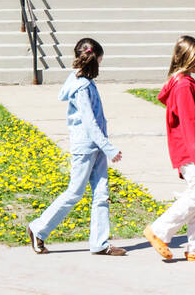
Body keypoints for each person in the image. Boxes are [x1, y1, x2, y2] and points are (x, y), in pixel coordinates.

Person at [27, 38, 126, 256]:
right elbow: (89, 123)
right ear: (96, 59)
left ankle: (100, 243)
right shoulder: (81, 87)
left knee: (101, 194)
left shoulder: (84, 81)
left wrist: (103, 146)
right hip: (85, 147)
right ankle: (38, 228)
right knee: (75, 192)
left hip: (97, 146)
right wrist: (109, 148)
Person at [144, 36, 195, 262]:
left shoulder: (183, 83)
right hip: (192, 151)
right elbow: (191, 125)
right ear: (190, 60)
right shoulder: (183, 87)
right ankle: (159, 230)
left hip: (194, 150)